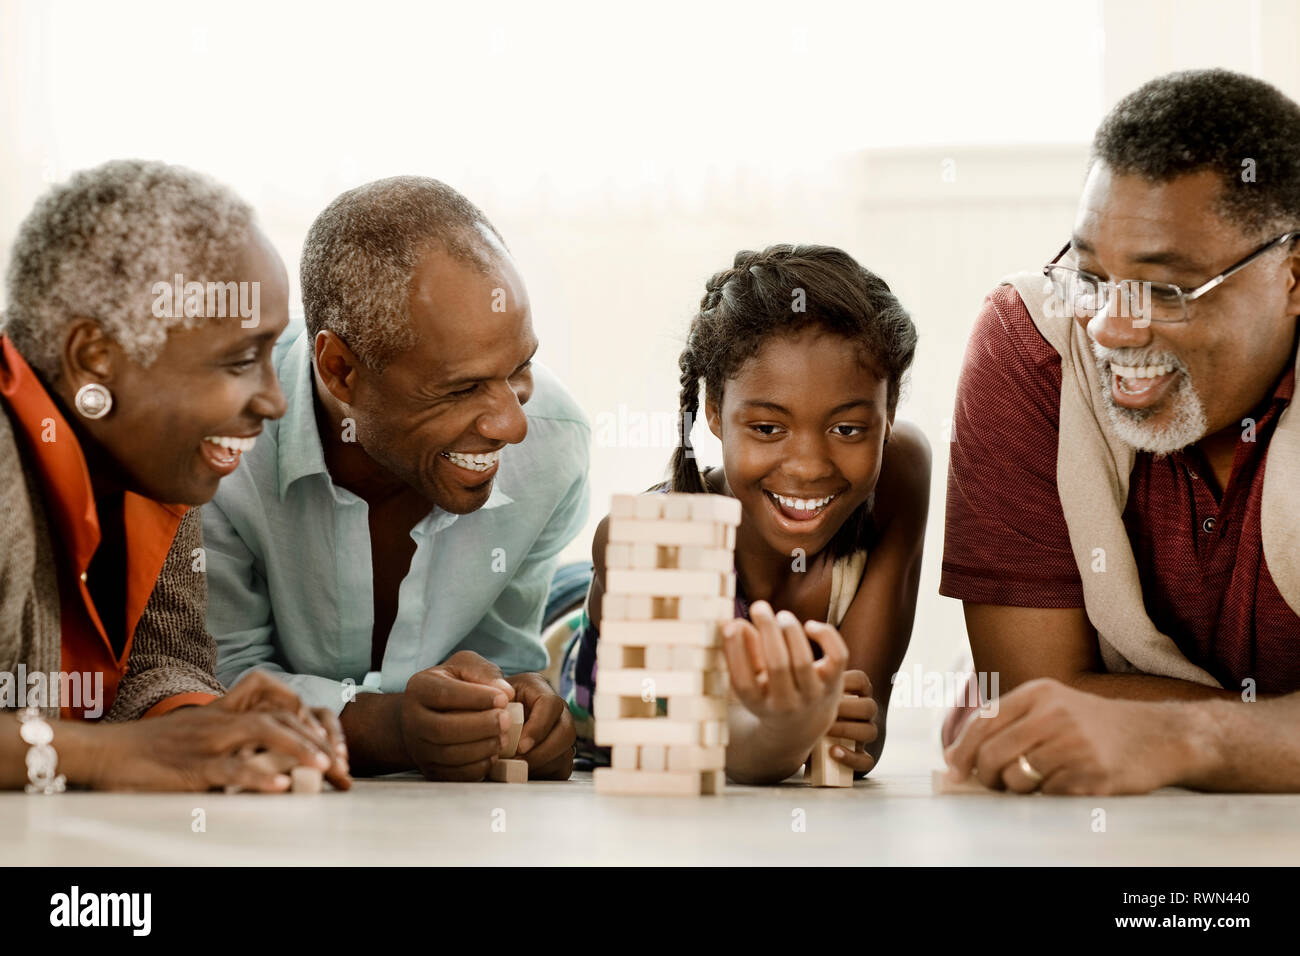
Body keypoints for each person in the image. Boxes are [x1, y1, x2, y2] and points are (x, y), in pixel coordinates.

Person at [941, 69, 1300, 793]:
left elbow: (1073, 709)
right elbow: (1032, 700)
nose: (1110, 325)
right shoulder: (1032, 346)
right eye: (1091, 274)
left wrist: (1187, 736)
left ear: (1293, 278)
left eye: (1166, 289)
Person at [203, 177, 588, 782]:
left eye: (520, 369)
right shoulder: (224, 446)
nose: (512, 426)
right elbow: (209, 684)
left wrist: (519, 712)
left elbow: (504, 657)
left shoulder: (554, 444)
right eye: (461, 389)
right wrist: (391, 728)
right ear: (340, 370)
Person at [0, 159, 349, 792]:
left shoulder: (151, 463)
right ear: (94, 359)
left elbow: (160, 665)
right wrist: (114, 756)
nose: (275, 401)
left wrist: (209, 726)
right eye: (241, 360)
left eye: (273, 354)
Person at [564, 244, 930, 783]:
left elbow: (853, 744)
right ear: (713, 410)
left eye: (847, 429)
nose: (807, 468)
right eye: (767, 428)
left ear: (889, 412)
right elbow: (720, 751)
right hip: (567, 631)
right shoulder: (648, 539)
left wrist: (802, 723)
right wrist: (795, 724)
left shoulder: (900, 471)